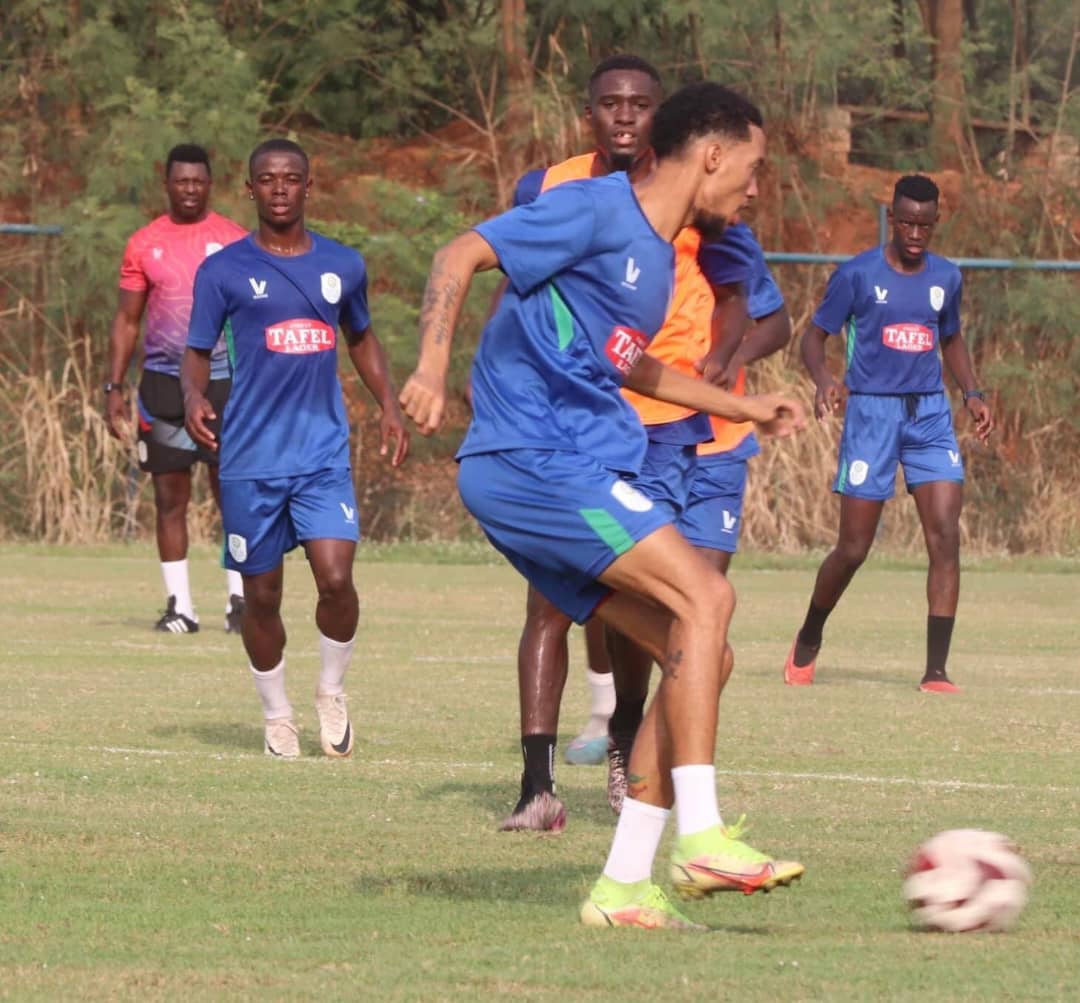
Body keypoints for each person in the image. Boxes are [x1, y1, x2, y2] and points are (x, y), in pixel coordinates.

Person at [402, 82, 806, 930]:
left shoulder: (658, 261)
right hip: (532, 458)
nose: (757, 188)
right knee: (711, 595)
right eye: (755, 168)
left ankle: (624, 884)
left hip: (563, 461)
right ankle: (699, 835)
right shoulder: (593, 210)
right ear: (712, 155)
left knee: (703, 652)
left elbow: (629, 364)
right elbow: (458, 254)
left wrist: (740, 405)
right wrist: (432, 367)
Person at [181, 139, 409, 759]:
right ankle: (277, 713)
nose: (279, 189)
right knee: (262, 597)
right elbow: (196, 351)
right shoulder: (222, 270)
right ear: (249, 189)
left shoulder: (343, 265)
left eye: (291, 179)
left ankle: (331, 694)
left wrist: (388, 404)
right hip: (250, 460)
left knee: (336, 580)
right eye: (267, 180)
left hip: (322, 457)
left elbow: (361, 339)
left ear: (309, 187)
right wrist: (194, 396)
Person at [496, 54, 666, 834]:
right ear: (589, 113)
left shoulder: (688, 197)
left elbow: (746, 299)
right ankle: (537, 783)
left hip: (656, 430)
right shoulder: (552, 188)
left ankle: (627, 734)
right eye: (610, 104)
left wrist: (725, 376)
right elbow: (510, 281)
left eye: (639, 104)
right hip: (559, 433)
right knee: (551, 603)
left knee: (640, 607)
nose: (625, 116)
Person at [604, 220, 792, 814]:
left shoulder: (729, 237)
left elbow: (777, 322)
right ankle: (626, 729)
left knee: (702, 605)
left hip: (721, 449)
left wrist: (727, 356)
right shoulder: (636, 230)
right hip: (645, 438)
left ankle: (669, 769)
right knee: (653, 604)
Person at [784, 174, 993, 693]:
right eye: (908, 223)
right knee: (854, 548)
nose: (916, 232)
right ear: (892, 219)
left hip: (929, 414)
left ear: (934, 222)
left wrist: (972, 392)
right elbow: (813, 339)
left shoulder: (947, 276)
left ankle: (935, 670)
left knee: (945, 535)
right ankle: (809, 636)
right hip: (871, 417)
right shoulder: (858, 274)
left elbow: (952, 340)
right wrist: (826, 380)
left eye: (926, 224)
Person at [106, 144, 248, 633]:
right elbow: (126, 321)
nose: (190, 189)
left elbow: (253, 316)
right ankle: (180, 607)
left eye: (198, 181)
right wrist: (113, 386)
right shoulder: (144, 243)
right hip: (163, 387)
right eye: (181, 181)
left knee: (232, 494)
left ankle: (240, 602)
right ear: (166, 183)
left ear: (210, 184)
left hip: (224, 386)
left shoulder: (235, 239)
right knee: (170, 500)